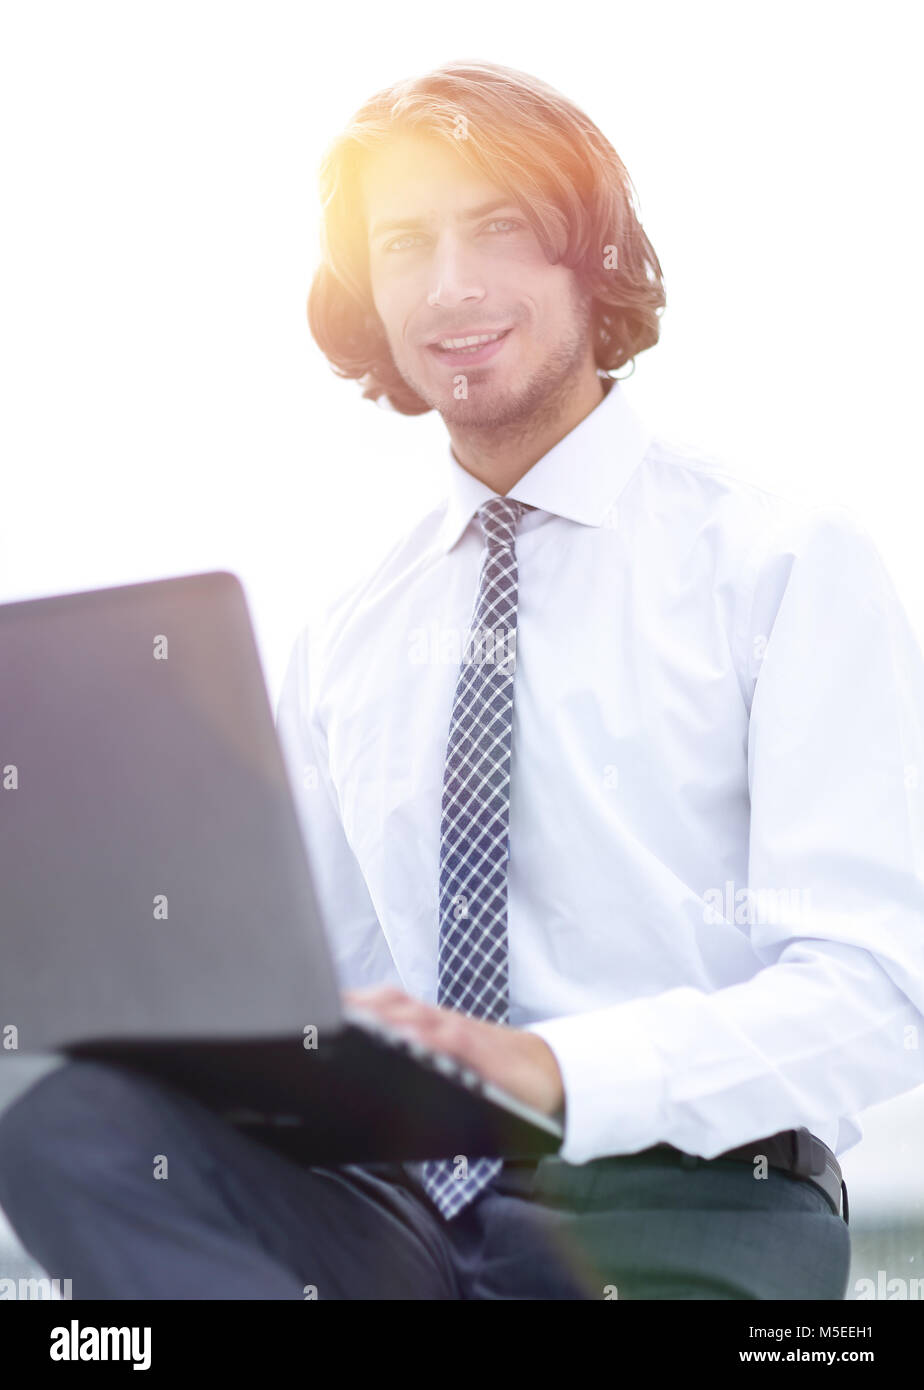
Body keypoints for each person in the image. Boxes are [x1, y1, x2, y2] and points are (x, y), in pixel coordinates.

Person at [1, 58, 922, 1300]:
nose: (449, 286)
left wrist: (556, 1073)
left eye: (498, 229)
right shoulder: (347, 630)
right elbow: (322, 998)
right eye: (404, 245)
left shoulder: (781, 559)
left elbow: (882, 991)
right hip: (411, 1213)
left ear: (591, 260)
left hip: (693, 1198)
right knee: (67, 1118)